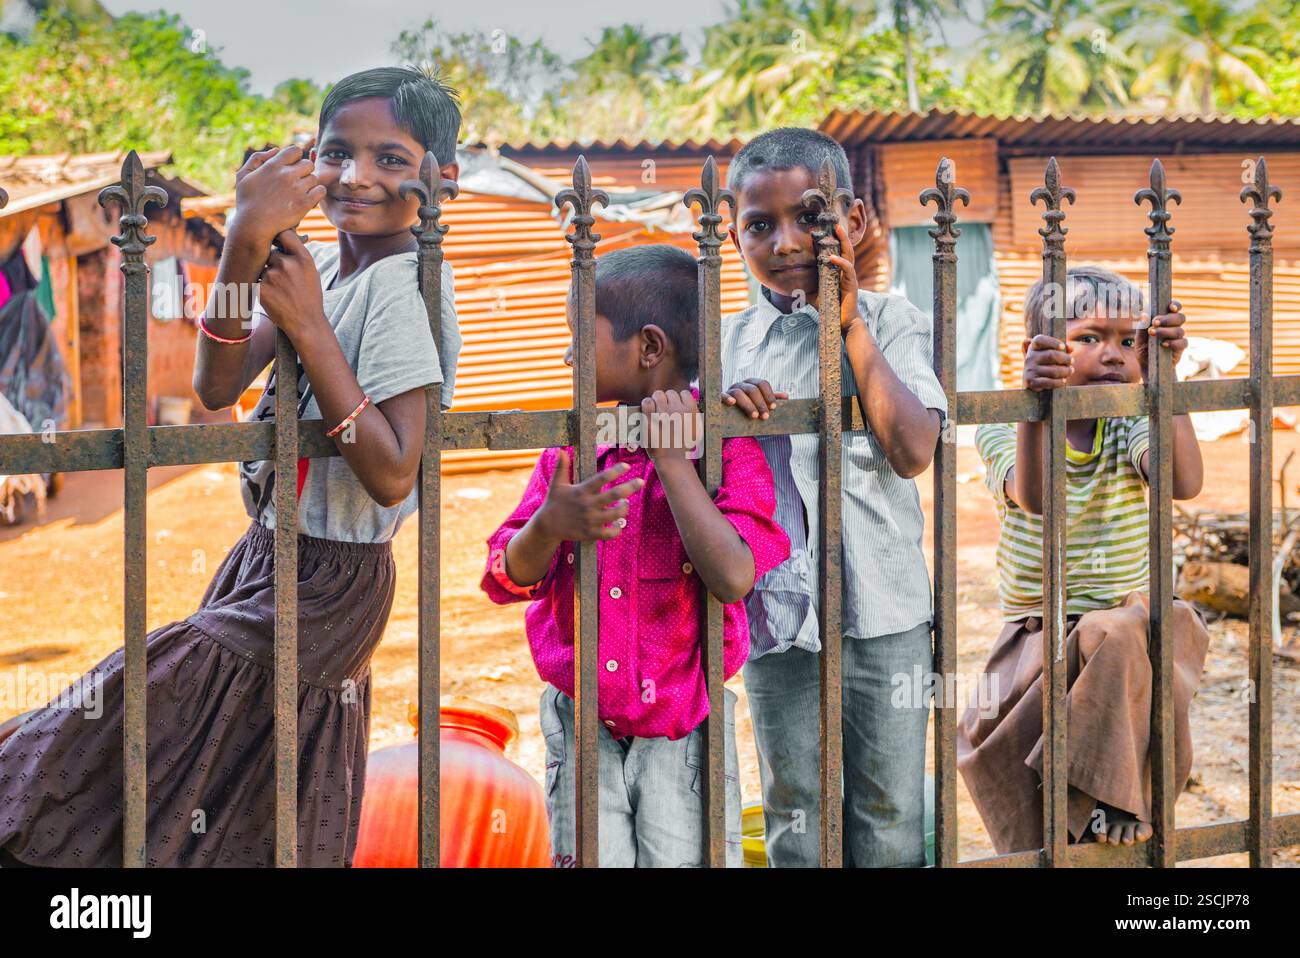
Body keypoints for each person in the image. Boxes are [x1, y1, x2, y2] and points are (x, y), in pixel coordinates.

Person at [0, 65, 463, 867]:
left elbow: (393, 472)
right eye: (337, 153)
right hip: (263, 555)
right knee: (235, 772)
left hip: (332, 577)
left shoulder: (401, 285)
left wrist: (312, 331)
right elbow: (215, 384)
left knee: (121, 718)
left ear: (441, 179)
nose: (357, 176)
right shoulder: (317, 264)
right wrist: (246, 246)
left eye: (391, 158)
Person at [480, 244, 790, 867]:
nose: (569, 354)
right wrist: (548, 524)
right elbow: (505, 576)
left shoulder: (724, 448)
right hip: (581, 728)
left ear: (648, 348)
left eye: (579, 337)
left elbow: (732, 577)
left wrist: (673, 462)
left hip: (683, 734)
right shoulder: (571, 451)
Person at [719, 127, 947, 867]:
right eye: (760, 224)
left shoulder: (897, 324)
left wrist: (847, 323)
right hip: (779, 619)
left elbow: (914, 450)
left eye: (810, 218)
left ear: (848, 218)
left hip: (889, 615)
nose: (786, 241)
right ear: (733, 232)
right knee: (795, 805)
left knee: (888, 805)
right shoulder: (728, 345)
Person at [959, 265, 1210, 852]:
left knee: (1127, 630)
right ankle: (1100, 802)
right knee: (1111, 635)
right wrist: (1038, 405)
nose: (1114, 355)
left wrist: (1164, 382)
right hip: (1043, 630)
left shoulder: (1128, 423)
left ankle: (1111, 797)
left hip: (1125, 622)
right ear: (1040, 350)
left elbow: (1183, 481)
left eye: (1129, 341)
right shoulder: (1003, 423)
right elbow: (1038, 497)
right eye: (1091, 337)